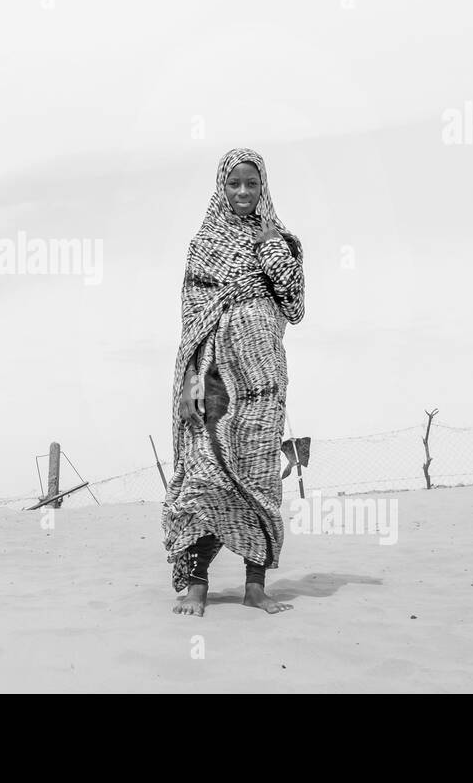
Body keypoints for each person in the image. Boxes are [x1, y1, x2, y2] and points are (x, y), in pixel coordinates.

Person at [162, 148, 305, 616]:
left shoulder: (279, 240)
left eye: (252, 184)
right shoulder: (205, 242)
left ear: (264, 188)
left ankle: (255, 587)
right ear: (220, 187)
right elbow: (190, 321)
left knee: (260, 475)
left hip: (264, 379)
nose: (243, 193)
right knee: (207, 471)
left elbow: (295, 308)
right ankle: (198, 585)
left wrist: (269, 249)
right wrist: (188, 382)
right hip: (214, 378)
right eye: (234, 184)